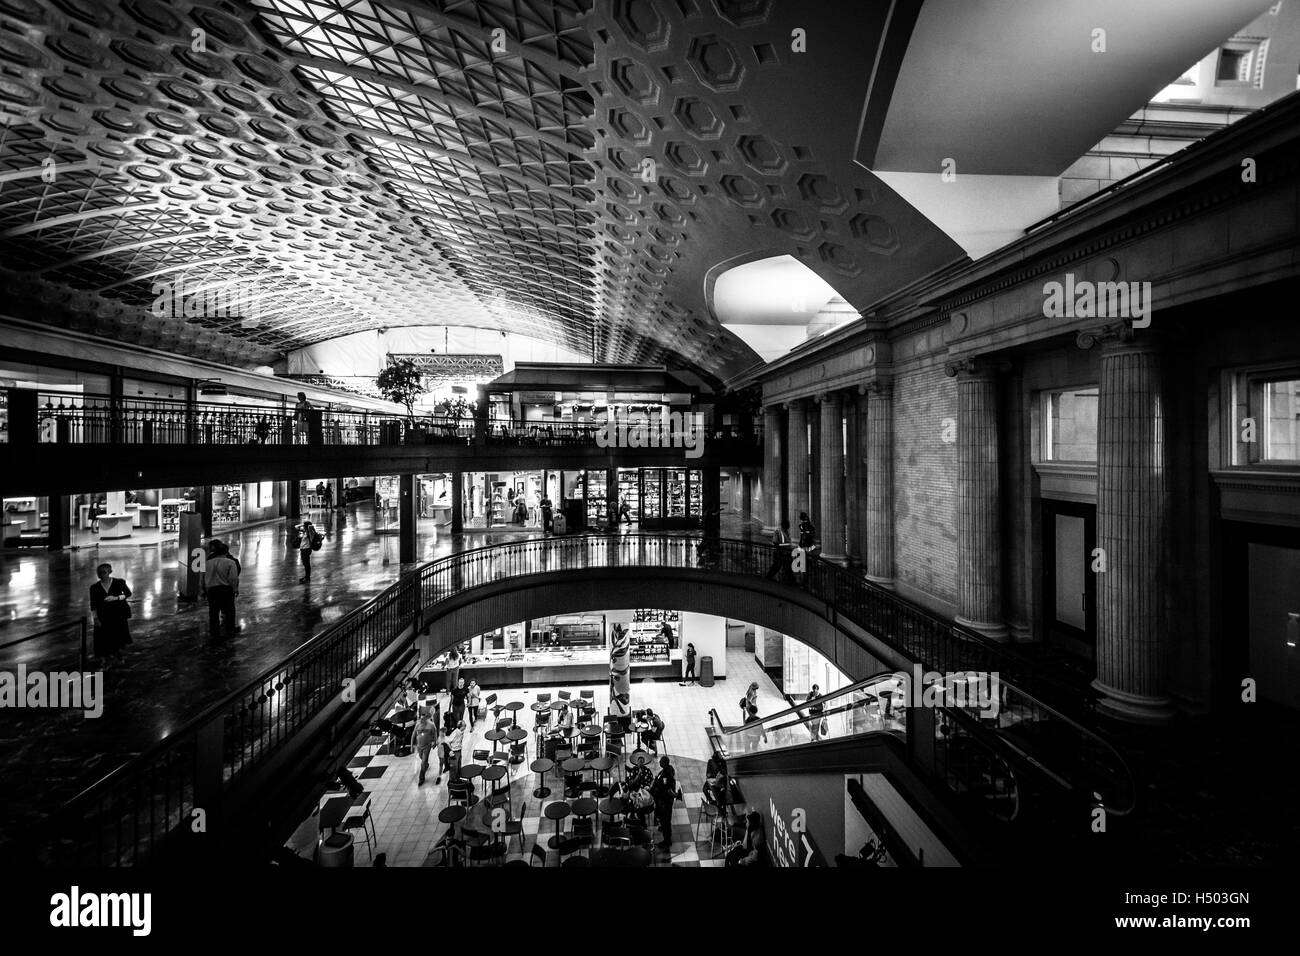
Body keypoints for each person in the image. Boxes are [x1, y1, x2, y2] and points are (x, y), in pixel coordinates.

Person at [89, 562, 133, 666]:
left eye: (104, 572)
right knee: (102, 638)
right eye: (99, 573)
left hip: (118, 615)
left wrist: (116, 598)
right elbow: (93, 604)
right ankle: (104, 659)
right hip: (103, 616)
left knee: (118, 636)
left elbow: (128, 593)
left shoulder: (119, 582)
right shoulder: (94, 588)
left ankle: (118, 655)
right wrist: (95, 618)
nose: (101, 575)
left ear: (110, 572)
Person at [203, 540, 241, 639]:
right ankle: (230, 631)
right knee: (230, 611)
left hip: (212, 591)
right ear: (226, 552)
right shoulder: (230, 562)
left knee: (213, 613)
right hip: (226, 590)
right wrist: (235, 589)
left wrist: (205, 590)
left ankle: (214, 633)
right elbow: (233, 578)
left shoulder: (208, 563)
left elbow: (203, 577)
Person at [651, 755, 677, 850]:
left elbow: (667, 789)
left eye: (661, 761)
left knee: (666, 820)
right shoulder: (665, 770)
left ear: (665, 763)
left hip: (665, 803)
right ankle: (663, 828)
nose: (659, 762)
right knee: (661, 818)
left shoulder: (667, 774)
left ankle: (667, 840)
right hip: (661, 801)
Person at [411, 709, 438, 786]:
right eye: (421, 718)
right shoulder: (418, 724)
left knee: (423, 762)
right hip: (419, 746)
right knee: (421, 758)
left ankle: (421, 778)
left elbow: (435, 732)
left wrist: (435, 742)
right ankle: (426, 764)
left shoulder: (431, 725)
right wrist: (411, 746)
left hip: (427, 746)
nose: (421, 720)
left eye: (423, 719)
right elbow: (413, 735)